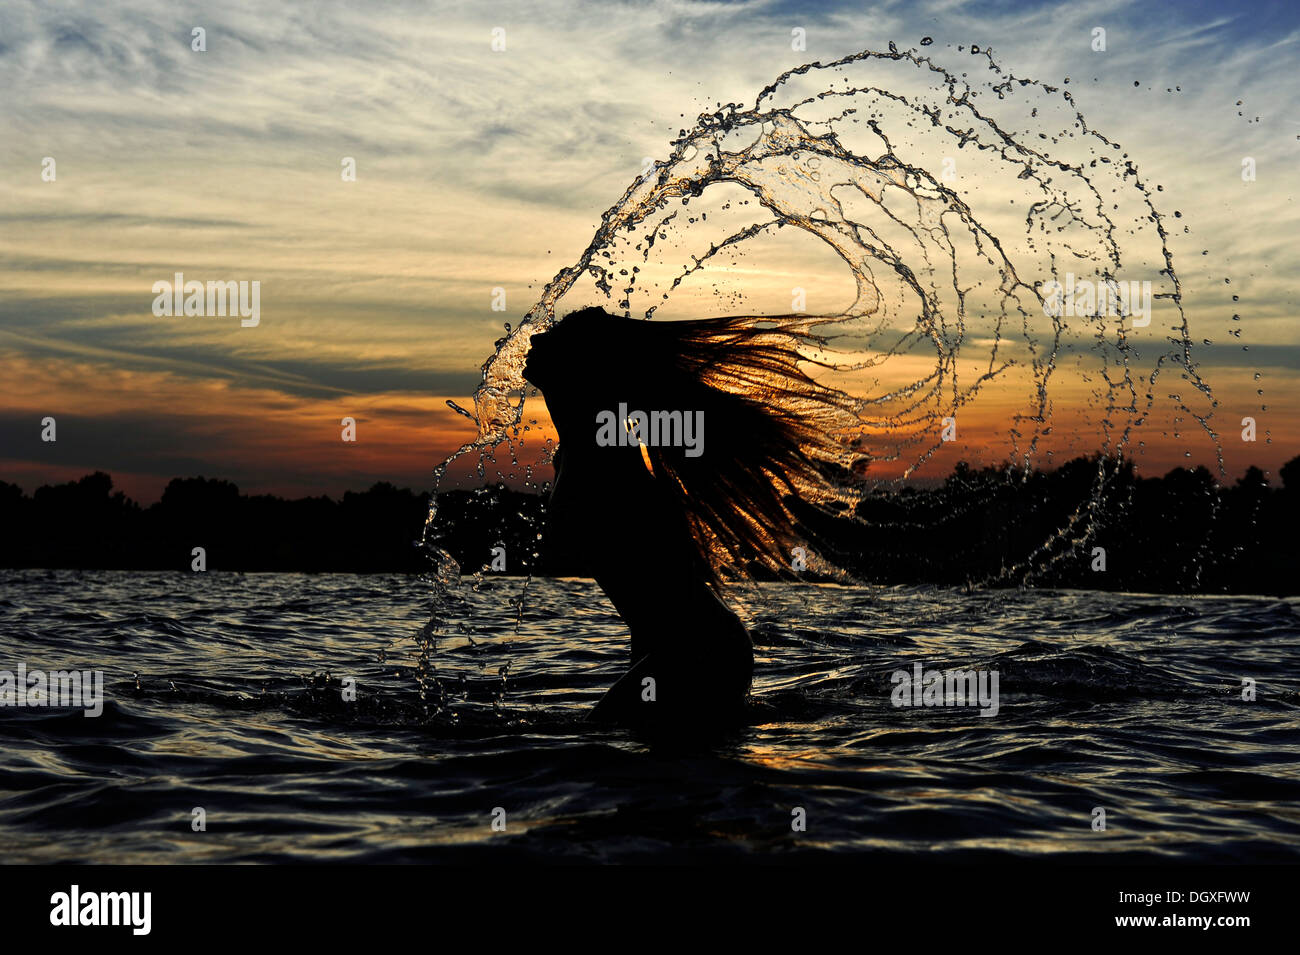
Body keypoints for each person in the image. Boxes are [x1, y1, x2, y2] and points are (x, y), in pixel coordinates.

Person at [522, 306, 856, 730]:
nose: (535, 340)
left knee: (594, 746)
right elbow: (650, 598)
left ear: (583, 367)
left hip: (697, 651)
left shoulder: (602, 455)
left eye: (556, 337)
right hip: (693, 650)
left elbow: (657, 584)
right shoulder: (582, 448)